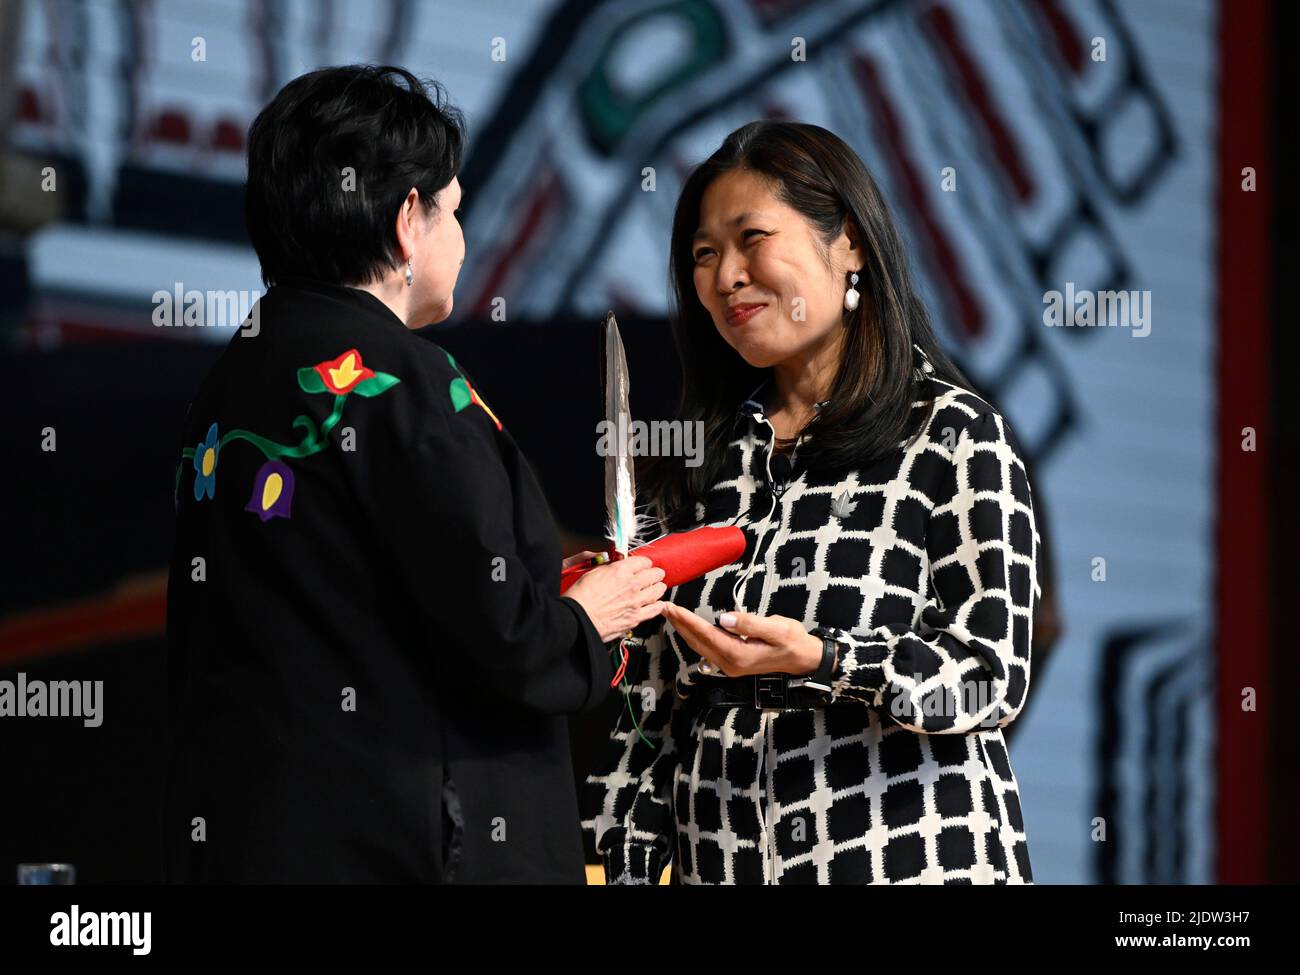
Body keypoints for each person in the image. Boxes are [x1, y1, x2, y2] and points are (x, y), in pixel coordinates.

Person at [161, 65, 666, 883]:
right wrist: (585, 619)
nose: (463, 241)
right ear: (407, 221)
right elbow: (503, 635)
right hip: (402, 845)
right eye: (455, 213)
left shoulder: (229, 382)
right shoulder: (400, 380)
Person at [583, 120, 1040, 884]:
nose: (725, 275)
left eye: (751, 237)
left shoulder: (953, 434)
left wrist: (827, 659)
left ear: (851, 242)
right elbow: (649, 713)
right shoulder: (702, 465)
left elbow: (991, 677)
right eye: (703, 253)